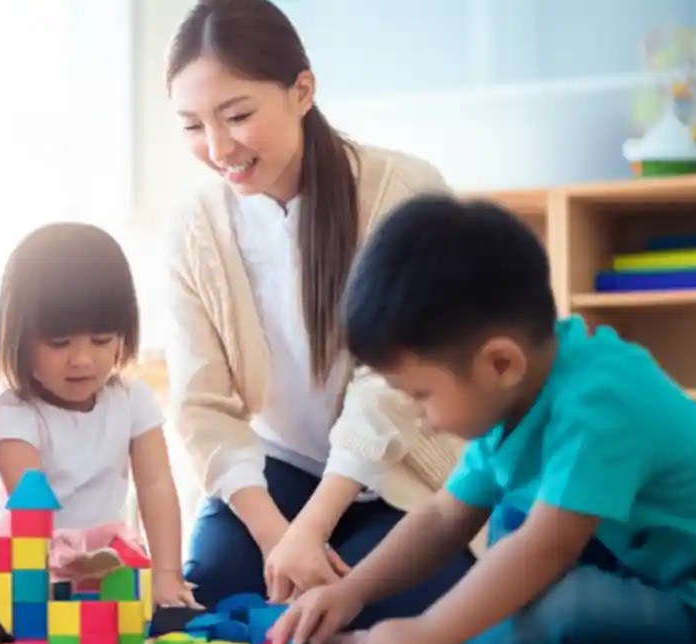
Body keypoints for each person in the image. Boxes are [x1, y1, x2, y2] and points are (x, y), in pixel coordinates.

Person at [270, 197, 696, 644]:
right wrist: (353, 590)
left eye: (421, 397)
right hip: (639, 576)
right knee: (508, 537)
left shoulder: (603, 399)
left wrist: (429, 634)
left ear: (500, 364)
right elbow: (444, 517)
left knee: (568, 609)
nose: (423, 420)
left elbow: (547, 546)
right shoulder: (515, 398)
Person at [163, 0, 475, 611]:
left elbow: (394, 381)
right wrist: (277, 535)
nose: (219, 146)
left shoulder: (402, 189)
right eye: (194, 126)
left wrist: (313, 528)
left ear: (302, 91)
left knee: (373, 602)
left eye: (237, 115)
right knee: (203, 602)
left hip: (395, 471)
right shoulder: (194, 224)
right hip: (278, 471)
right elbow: (201, 404)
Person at [0, 223, 198, 606]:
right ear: (20, 340)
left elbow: (157, 485)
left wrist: (167, 576)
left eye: (101, 341)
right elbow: (32, 504)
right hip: (35, 560)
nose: (82, 360)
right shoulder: (14, 411)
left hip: (109, 557)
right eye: (59, 343)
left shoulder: (131, 398)